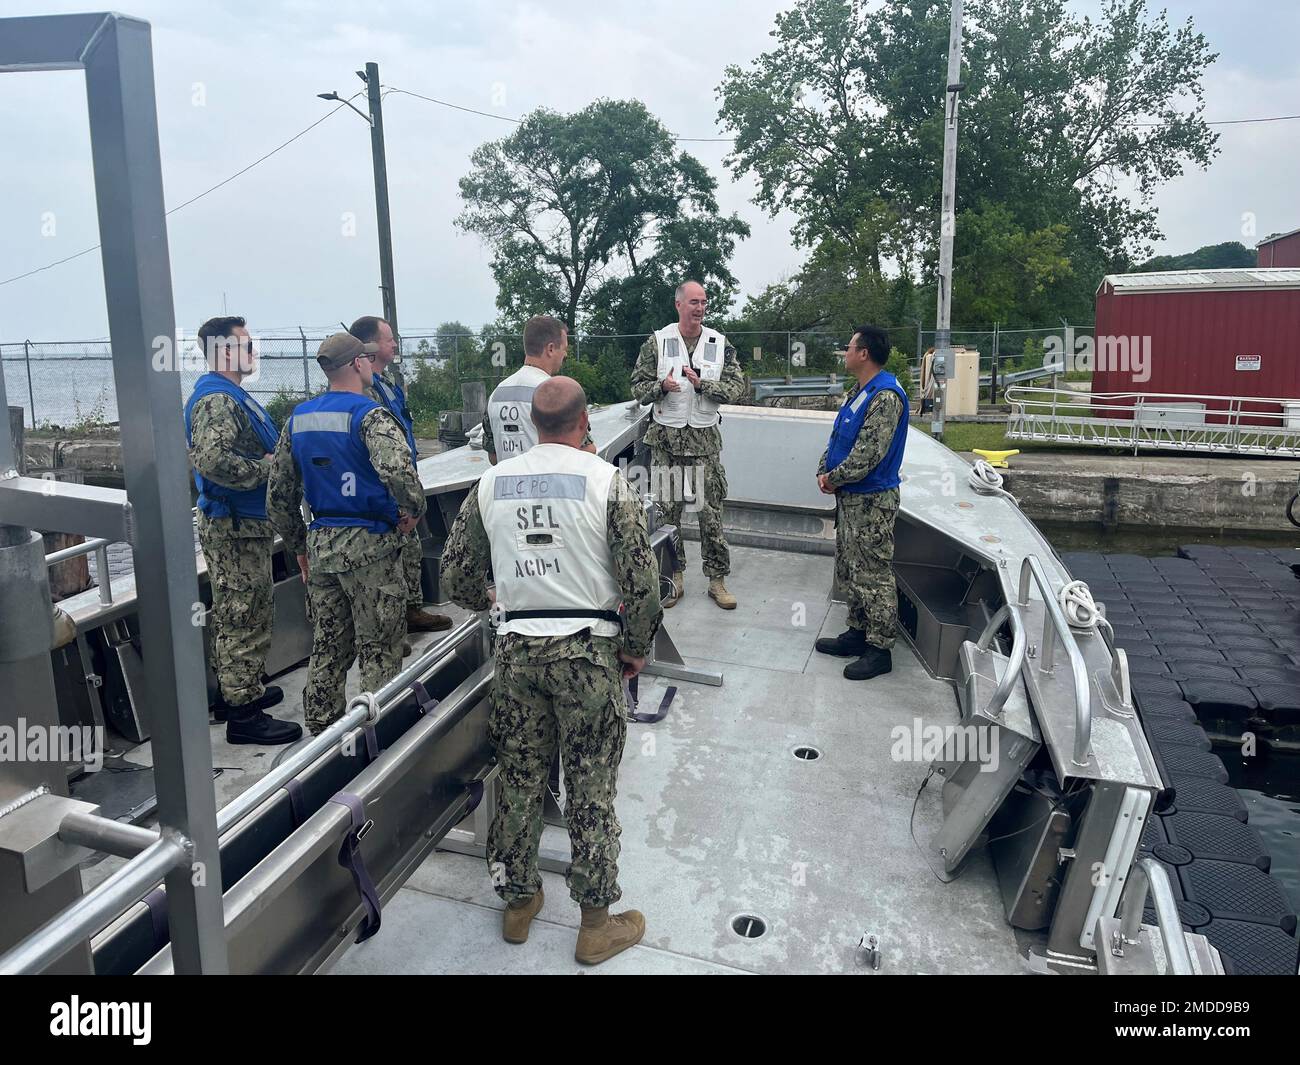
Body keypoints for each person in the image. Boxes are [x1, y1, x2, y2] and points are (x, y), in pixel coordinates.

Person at [441, 376, 662, 966]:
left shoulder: (489, 484)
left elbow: (456, 579)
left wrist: (503, 595)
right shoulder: (607, 482)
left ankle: (518, 903)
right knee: (589, 786)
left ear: (533, 424)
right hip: (588, 653)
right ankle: (594, 924)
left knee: (519, 778)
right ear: (585, 421)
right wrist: (636, 647)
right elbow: (642, 584)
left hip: (516, 654)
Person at [267, 333, 427, 735]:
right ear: (358, 364)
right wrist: (412, 511)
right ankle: (378, 731)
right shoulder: (369, 415)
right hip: (371, 546)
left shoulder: (298, 419)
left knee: (328, 645)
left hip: (322, 544)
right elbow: (398, 472)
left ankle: (321, 733)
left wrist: (300, 548)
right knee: (379, 647)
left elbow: (279, 496)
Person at [184, 316, 302, 745]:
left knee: (243, 609)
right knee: (244, 614)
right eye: (247, 345)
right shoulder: (217, 401)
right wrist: (267, 468)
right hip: (234, 526)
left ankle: (238, 690)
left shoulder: (230, 396)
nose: (254, 353)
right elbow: (211, 460)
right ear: (225, 352)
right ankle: (243, 715)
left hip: (244, 524)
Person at [630, 280, 745, 610]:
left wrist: (702, 384)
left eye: (703, 302)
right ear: (678, 304)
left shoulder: (719, 344)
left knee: (711, 516)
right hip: (666, 442)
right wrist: (660, 387)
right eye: (693, 302)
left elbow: (736, 388)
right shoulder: (658, 342)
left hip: (705, 443)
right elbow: (638, 387)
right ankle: (674, 576)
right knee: (668, 514)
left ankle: (717, 580)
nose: (699, 308)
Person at [814, 324, 909, 680]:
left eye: (849, 346)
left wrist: (831, 478)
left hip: (872, 501)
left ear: (864, 353)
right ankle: (857, 631)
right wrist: (825, 469)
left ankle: (880, 647)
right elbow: (840, 435)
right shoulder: (861, 391)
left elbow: (868, 453)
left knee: (873, 573)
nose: (845, 352)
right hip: (851, 498)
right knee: (852, 568)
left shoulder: (885, 397)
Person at [350, 314, 451, 638]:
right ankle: (392, 626)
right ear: (370, 346)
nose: (395, 343)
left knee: (408, 551)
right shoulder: (364, 394)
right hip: (383, 491)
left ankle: (410, 610)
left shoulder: (385, 386)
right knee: (390, 562)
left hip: (402, 485)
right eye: (389, 338)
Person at [482, 314, 595, 462]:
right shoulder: (557, 393)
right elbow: (587, 450)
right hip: (551, 483)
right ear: (551, 349)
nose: (565, 354)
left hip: (508, 483)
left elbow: (493, 456)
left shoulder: (497, 394)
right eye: (564, 348)